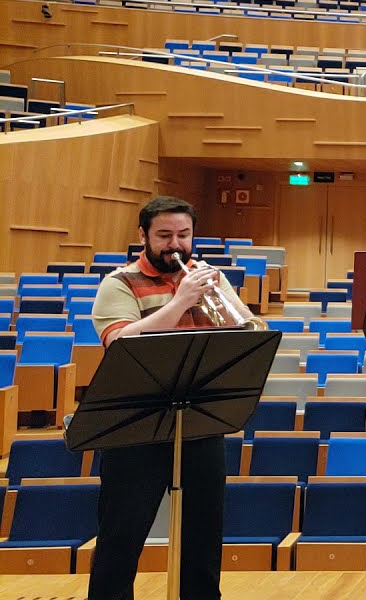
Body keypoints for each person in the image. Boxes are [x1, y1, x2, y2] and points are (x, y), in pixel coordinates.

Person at [88, 195, 260, 600]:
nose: (176, 245)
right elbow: (121, 344)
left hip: (200, 420)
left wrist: (225, 295)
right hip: (135, 426)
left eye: (184, 235)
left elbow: (250, 334)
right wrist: (181, 300)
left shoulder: (207, 279)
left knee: (202, 538)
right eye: (164, 235)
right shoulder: (118, 283)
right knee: (121, 536)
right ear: (143, 235)